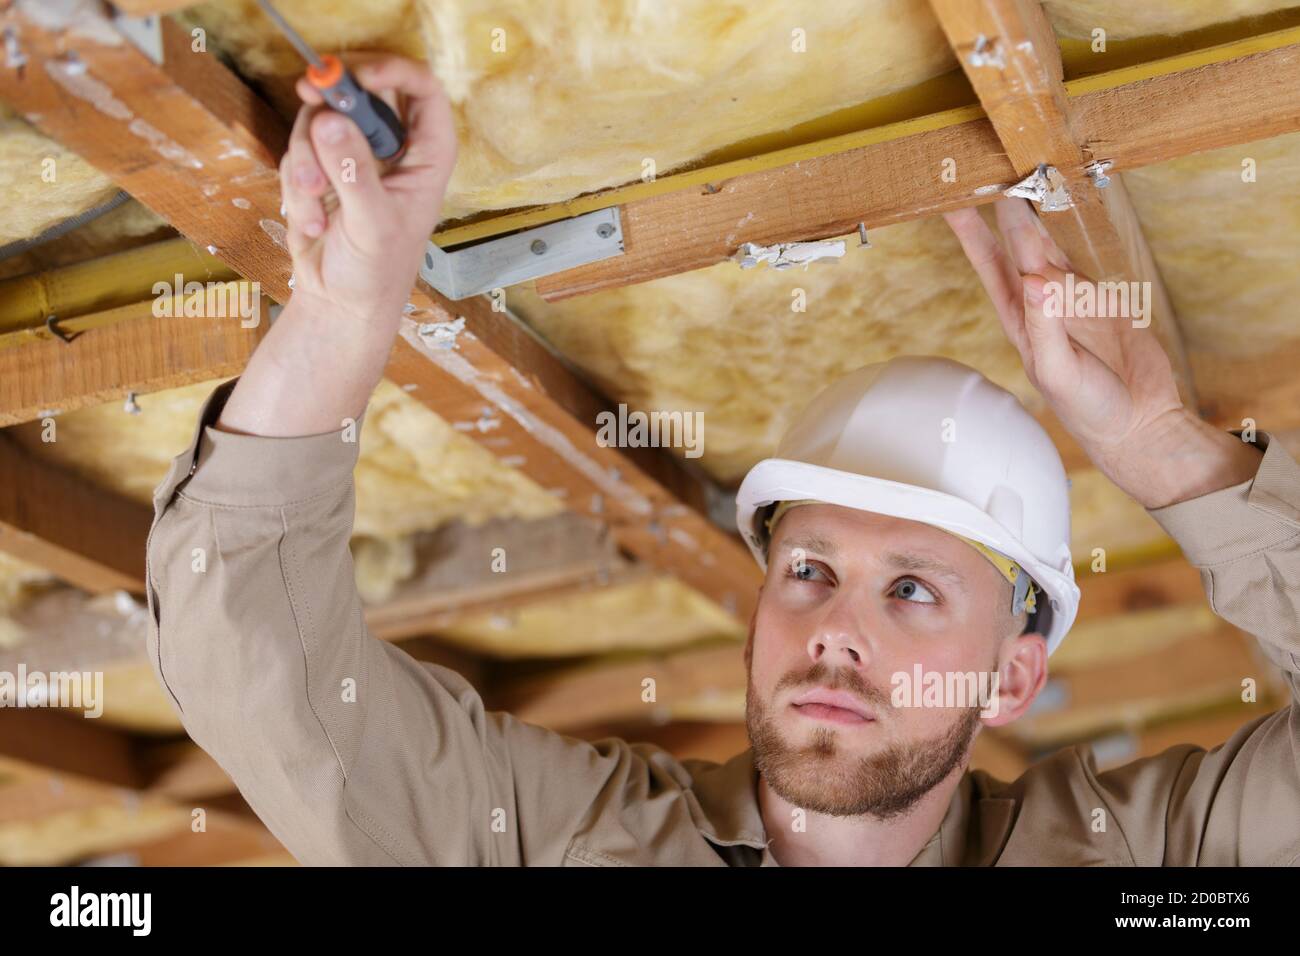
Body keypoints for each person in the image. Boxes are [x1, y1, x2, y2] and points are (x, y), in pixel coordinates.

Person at [146, 56, 1300, 865]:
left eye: (908, 586)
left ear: (1010, 674)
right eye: (807, 570)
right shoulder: (563, 842)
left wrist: (1159, 446)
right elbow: (263, 670)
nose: (830, 626)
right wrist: (350, 311)